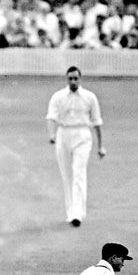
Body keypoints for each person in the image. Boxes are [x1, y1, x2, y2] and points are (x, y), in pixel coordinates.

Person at [46, 66, 106, 227]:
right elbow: (51, 117)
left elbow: (96, 122)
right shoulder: (58, 96)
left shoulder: (89, 97)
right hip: (63, 134)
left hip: (82, 135)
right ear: (67, 79)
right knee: (67, 175)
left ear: (80, 79)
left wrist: (101, 146)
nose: (73, 81)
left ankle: (78, 213)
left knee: (79, 172)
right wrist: (51, 134)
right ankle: (70, 211)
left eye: (76, 78)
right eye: (70, 78)